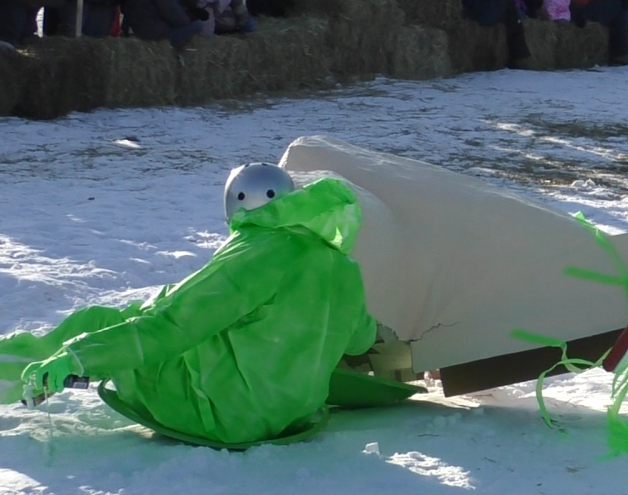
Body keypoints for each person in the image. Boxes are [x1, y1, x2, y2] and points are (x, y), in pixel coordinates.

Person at [9, 167, 380, 448]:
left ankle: (17, 370)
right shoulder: (340, 265)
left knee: (100, 321)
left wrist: (77, 359)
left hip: (223, 417)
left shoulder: (255, 252)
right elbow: (361, 340)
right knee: (153, 309)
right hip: (292, 419)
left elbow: (173, 325)